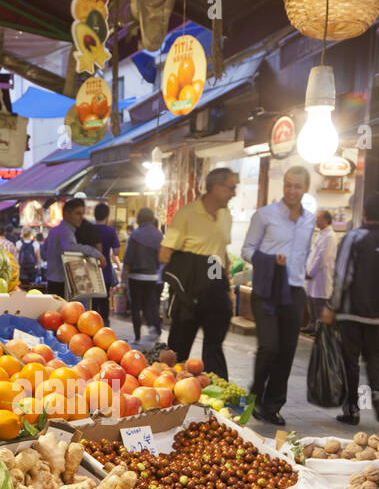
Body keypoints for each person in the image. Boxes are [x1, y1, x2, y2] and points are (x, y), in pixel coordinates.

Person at [322, 192, 379, 425]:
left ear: (363, 213)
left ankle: (352, 410)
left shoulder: (354, 238)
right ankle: (376, 393)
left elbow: (342, 276)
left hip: (351, 313)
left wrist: (332, 306)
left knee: (349, 361)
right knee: (376, 356)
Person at [240, 165, 316, 425]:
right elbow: (247, 250)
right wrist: (271, 260)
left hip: (294, 290)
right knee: (269, 346)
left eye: (297, 185)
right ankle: (256, 395)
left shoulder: (310, 219)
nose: (292, 190)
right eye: (288, 184)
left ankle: (272, 406)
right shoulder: (265, 215)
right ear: (283, 185)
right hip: (267, 289)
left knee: (287, 350)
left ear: (305, 188)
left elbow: (304, 253)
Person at [161, 168, 237, 378]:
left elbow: (221, 254)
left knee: (214, 347)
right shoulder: (187, 213)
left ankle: (217, 397)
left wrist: (226, 286)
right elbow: (165, 253)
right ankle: (169, 393)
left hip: (215, 282)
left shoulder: (226, 215)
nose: (234, 193)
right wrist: (193, 269)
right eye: (231, 188)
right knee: (178, 349)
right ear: (216, 188)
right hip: (189, 289)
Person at [40, 198, 102, 298]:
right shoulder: (66, 231)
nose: (81, 217)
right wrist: (96, 253)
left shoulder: (54, 231)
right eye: (78, 213)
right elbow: (70, 248)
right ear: (66, 214)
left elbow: (44, 252)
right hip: (62, 283)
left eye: (82, 214)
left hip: (51, 280)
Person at [123, 207, 164, 347]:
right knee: (149, 304)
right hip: (152, 276)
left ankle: (137, 337)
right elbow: (162, 258)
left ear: (139, 219)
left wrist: (124, 279)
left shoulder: (134, 235)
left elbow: (128, 259)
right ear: (152, 219)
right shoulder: (159, 235)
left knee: (136, 307)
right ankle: (154, 328)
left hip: (136, 276)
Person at [303, 210, 337, 334]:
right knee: (311, 301)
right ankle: (312, 325)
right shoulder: (321, 234)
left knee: (319, 303)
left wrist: (310, 272)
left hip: (321, 275)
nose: (316, 221)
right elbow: (314, 254)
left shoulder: (330, 236)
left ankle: (320, 329)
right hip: (313, 274)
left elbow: (322, 257)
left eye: (318, 218)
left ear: (326, 220)